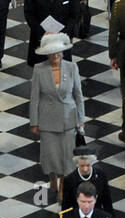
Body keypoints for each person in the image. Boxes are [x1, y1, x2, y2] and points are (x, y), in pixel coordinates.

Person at [30, 34, 85, 194]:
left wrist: (81, 119)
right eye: (52, 53)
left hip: (68, 118)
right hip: (47, 119)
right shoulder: (39, 70)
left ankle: (63, 184)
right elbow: (34, 98)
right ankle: (53, 179)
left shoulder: (72, 67)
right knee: (50, 154)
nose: (55, 56)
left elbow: (78, 95)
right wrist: (34, 122)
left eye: (58, 52)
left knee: (68, 155)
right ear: (47, 54)